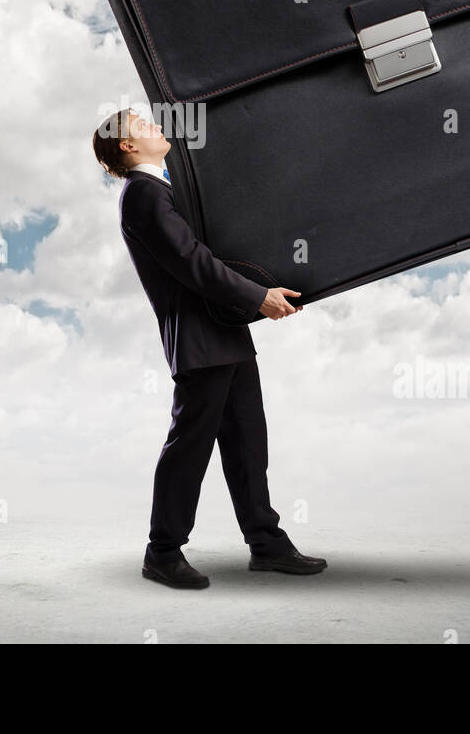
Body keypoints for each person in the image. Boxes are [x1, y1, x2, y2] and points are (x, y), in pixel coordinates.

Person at [92, 106, 327, 589]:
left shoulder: (162, 190)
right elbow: (192, 261)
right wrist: (257, 297)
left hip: (221, 333)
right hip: (199, 340)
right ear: (127, 146)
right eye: (142, 124)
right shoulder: (142, 194)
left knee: (247, 442)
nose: (154, 124)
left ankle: (266, 542)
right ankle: (162, 552)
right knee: (190, 448)